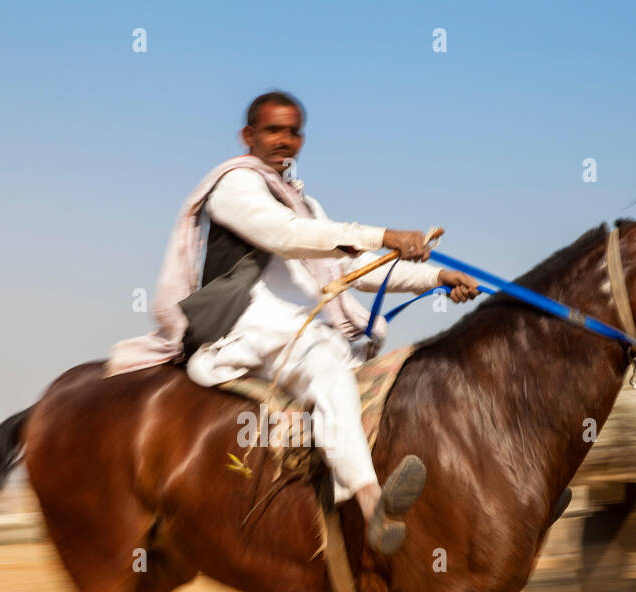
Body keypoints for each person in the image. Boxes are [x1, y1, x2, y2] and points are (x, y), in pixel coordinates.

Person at [108, 91, 480, 554]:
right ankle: (370, 506)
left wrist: (437, 276)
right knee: (326, 371)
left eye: (294, 132)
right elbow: (288, 238)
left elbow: (354, 268)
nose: (285, 140)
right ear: (248, 136)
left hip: (301, 327)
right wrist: (384, 235)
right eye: (273, 131)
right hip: (248, 327)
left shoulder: (303, 202)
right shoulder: (235, 186)